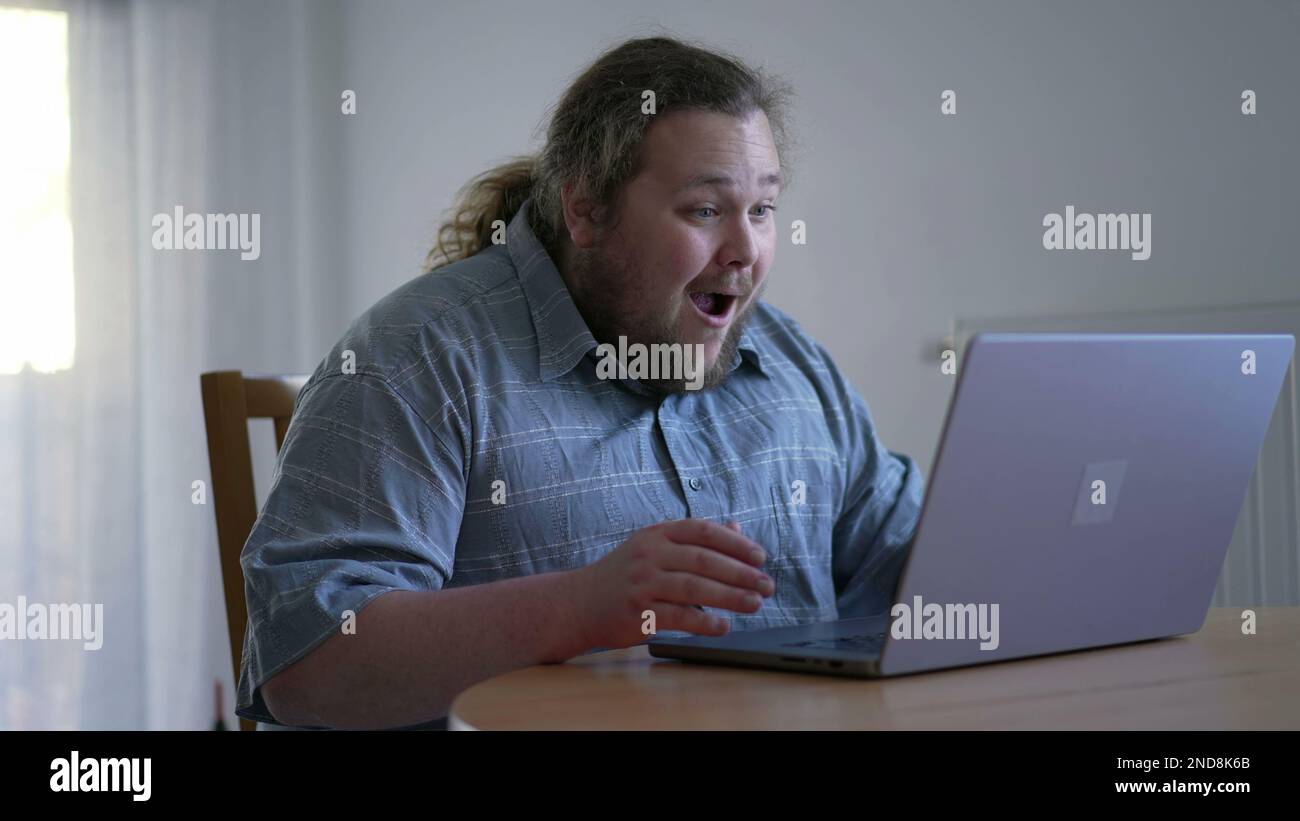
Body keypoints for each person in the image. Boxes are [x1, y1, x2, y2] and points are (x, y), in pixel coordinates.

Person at [237, 35, 923, 729]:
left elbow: (909, 566)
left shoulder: (793, 362)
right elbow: (309, 663)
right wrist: (578, 608)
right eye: (706, 210)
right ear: (586, 210)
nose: (746, 250)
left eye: (763, 210)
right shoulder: (417, 356)